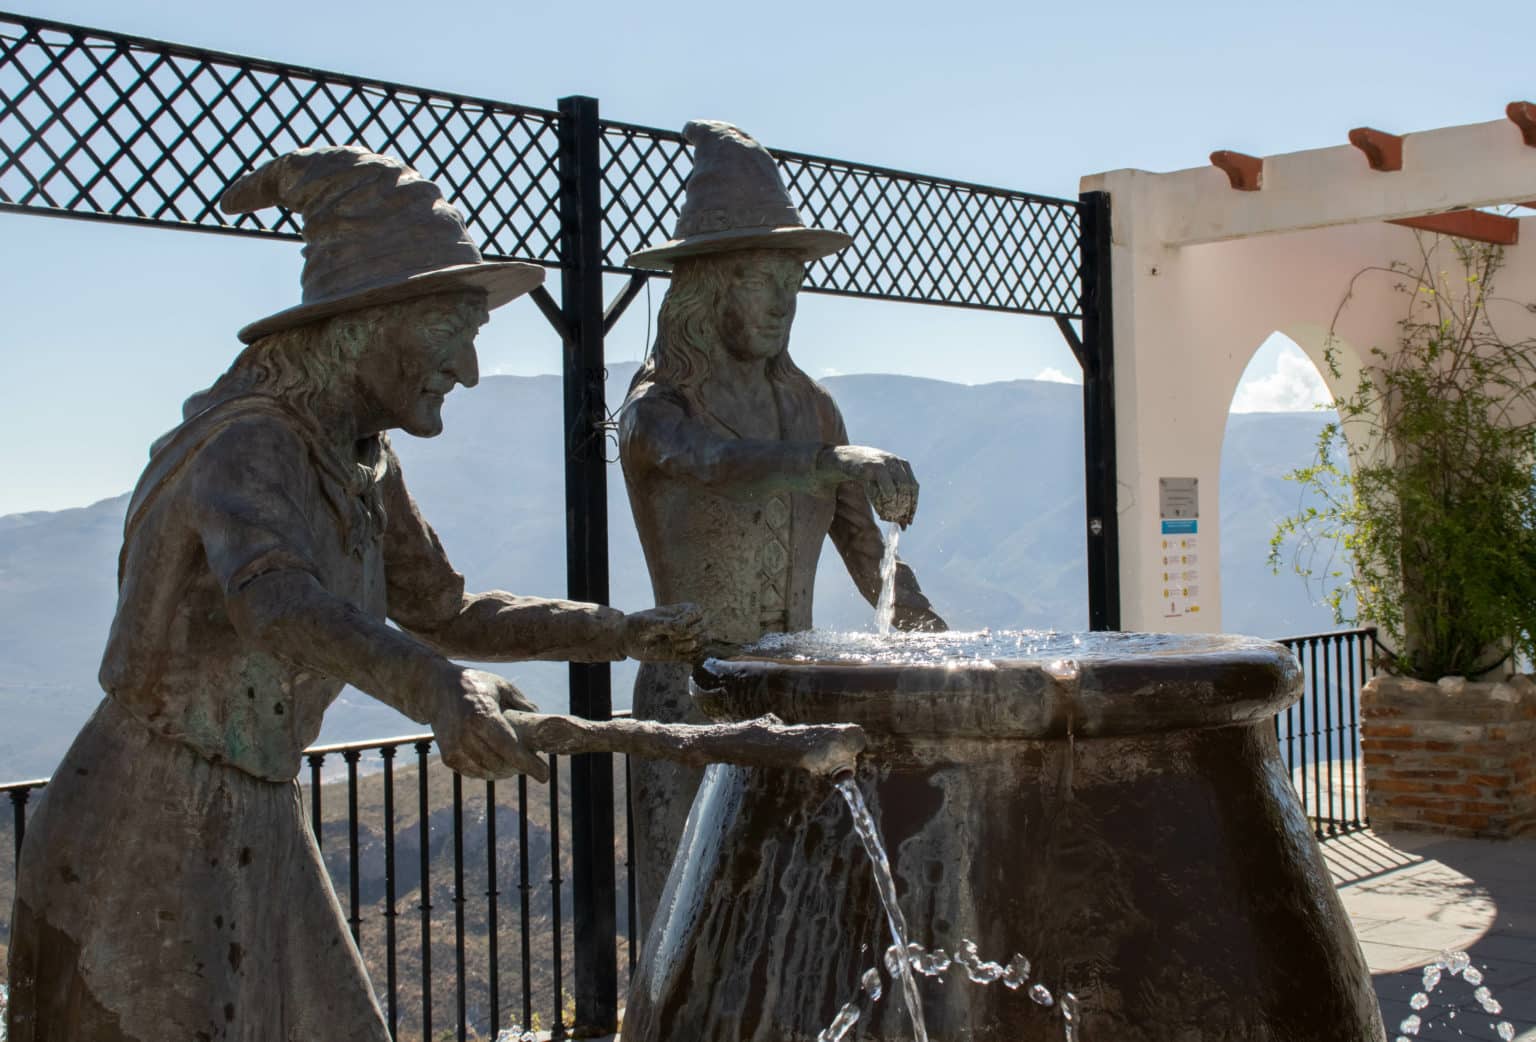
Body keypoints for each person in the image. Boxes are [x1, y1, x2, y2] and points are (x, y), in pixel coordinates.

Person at [3, 146, 703, 1042]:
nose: (471, 369)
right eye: (455, 331)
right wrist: (438, 688)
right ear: (369, 323)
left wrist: (630, 633)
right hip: (148, 825)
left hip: (256, 806)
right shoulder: (252, 443)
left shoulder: (362, 459)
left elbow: (448, 613)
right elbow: (273, 601)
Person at [618, 120, 946, 939]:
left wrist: (935, 639)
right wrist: (836, 460)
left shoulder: (811, 407)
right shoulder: (658, 411)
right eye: (761, 280)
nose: (783, 302)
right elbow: (719, 464)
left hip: (789, 698)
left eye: (790, 281)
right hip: (690, 698)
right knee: (689, 924)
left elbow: (870, 559)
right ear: (705, 287)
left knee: (786, 922)